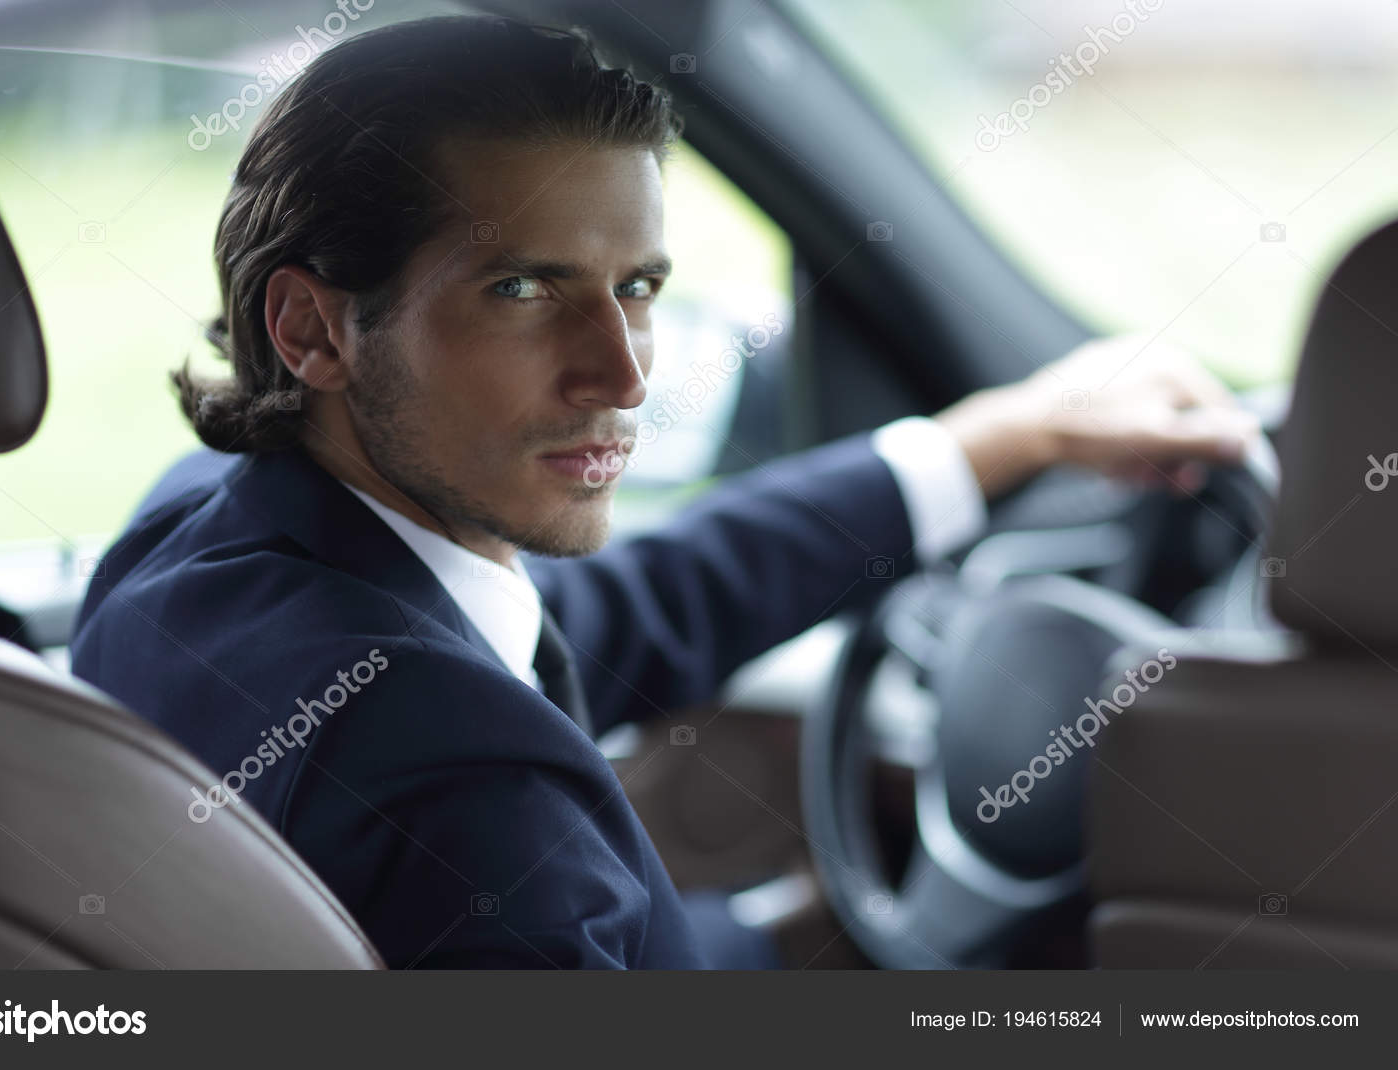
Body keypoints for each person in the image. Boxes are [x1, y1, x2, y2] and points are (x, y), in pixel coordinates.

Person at [70, 14, 1260, 968]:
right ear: (312, 327)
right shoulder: (473, 792)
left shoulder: (205, 528)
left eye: (636, 285)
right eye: (523, 291)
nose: (624, 372)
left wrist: (1001, 437)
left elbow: (626, 608)